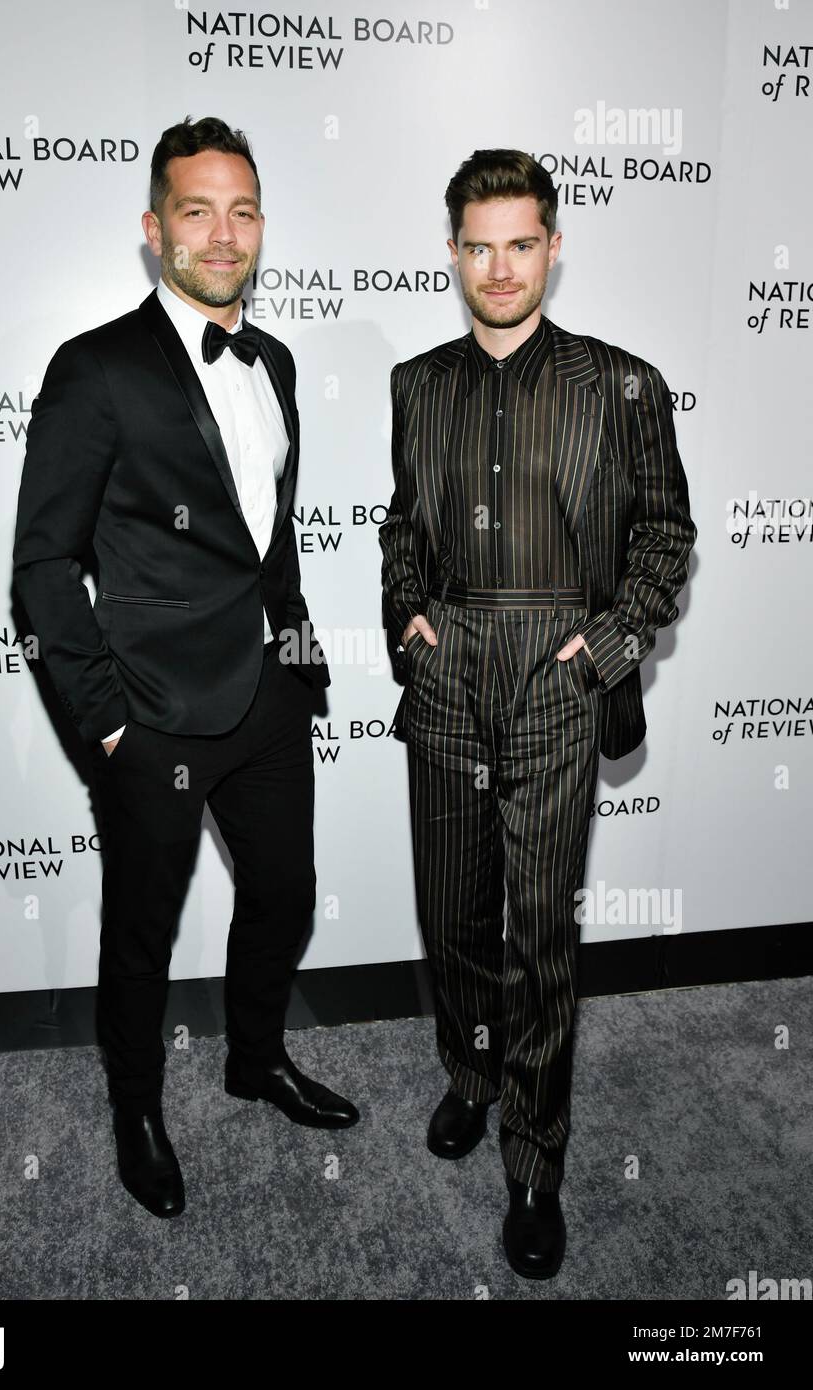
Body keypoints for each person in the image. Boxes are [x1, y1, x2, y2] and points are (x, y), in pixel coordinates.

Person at [12, 115, 358, 1221]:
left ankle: (254, 1058)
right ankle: (137, 1109)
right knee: (142, 929)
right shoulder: (97, 369)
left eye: (243, 209)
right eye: (198, 209)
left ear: (262, 225)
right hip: (153, 715)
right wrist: (106, 722)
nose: (223, 232)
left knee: (287, 894)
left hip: (268, 695)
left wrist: (302, 659)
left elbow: (274, 534)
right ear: (154, 226)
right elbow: (45, 565)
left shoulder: (279, 361)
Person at [379, 149, 696, 1278]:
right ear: (453, 252)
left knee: (539, 935)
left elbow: (666, 536)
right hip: (450, 665)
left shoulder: (624, 385)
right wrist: (407, 612)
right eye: (480, 244)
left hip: (559, 672)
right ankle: (470, 1073)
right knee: (453, 913)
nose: (500, 267)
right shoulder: (417, 384)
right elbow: (401, 526)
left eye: (522, 243)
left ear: (554, 247)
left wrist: (605, 644)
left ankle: (535, 1155)